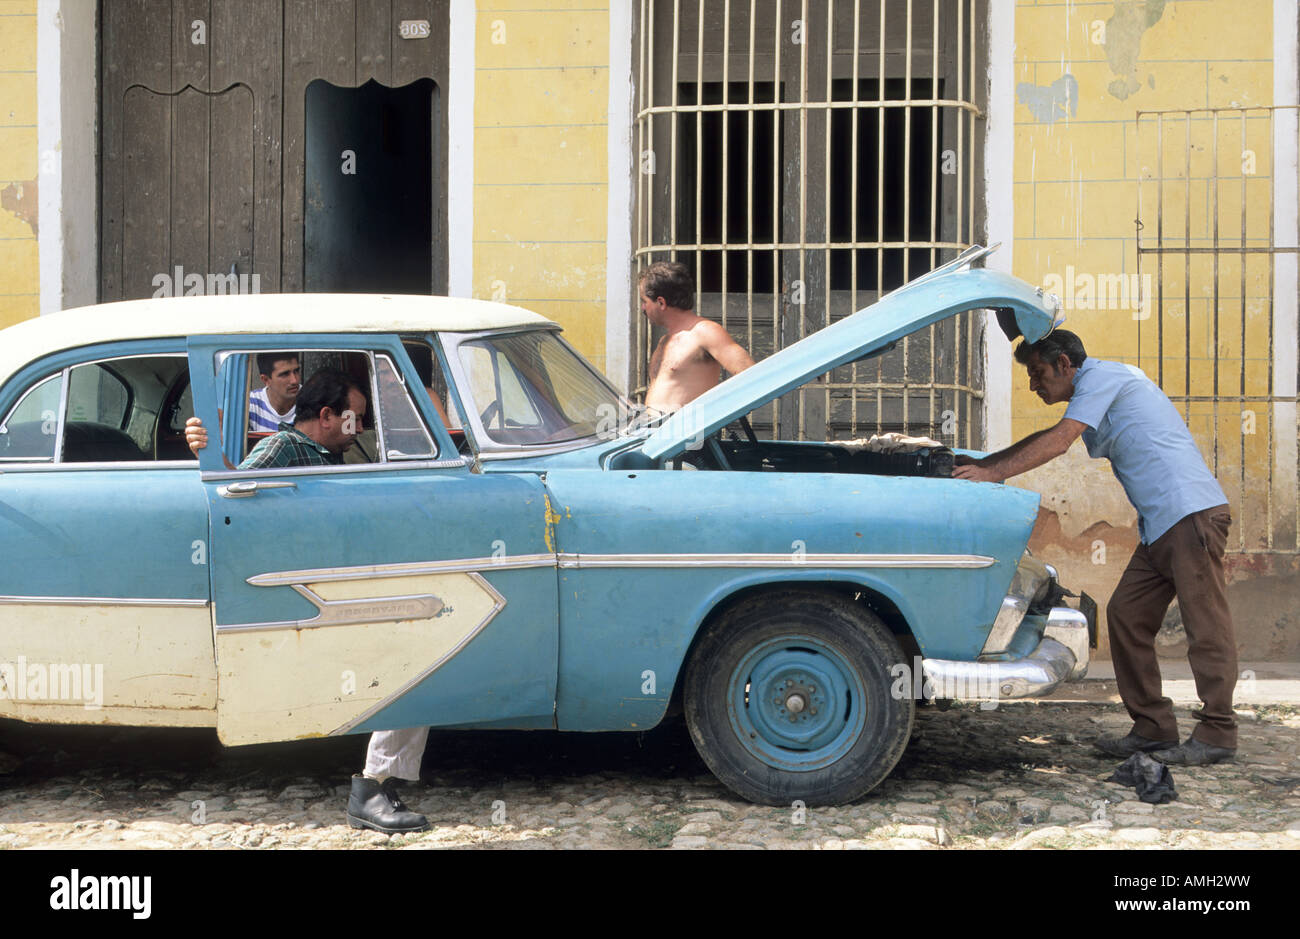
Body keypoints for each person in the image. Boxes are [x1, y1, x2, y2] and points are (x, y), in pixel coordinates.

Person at [953, 329, 1237, 766]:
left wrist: (993, 474)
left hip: (1189, 515)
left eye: (1039, 373)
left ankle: (1218, 732)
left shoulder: (1105, 378)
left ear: (1066, 364)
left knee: (1206, 625)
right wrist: (987, 466)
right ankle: (1153, 727)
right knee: (1126, 615)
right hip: (1160, 524)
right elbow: (1048, 435)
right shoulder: (1094, 388)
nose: (1034, 384)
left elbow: (1059, 440)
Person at [185, 368, 431, 833]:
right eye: (352, 420)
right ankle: (373, 787)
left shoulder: (332, 453)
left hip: (334, 585)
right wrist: (201, 447)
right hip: (298, 596)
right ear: (325, 415)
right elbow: (231, 495)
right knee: (409, 654)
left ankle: (381, 781)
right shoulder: (283, 448)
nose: (357, 429)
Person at [639, 262, 756, 415]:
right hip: (653, 434)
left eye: (644, 301)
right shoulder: (664, 341)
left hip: (689, 436)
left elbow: (752, 376)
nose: (642, 308)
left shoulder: (706, 332)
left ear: (661, 302)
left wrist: (716, 415)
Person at [249, 353, 301, 432]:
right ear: (265, 380)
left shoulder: (312, 400)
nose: (294, 380)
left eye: (296, 371)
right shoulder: (250, 403)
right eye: (285, 374)